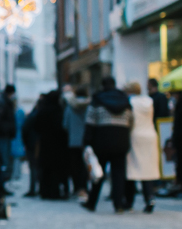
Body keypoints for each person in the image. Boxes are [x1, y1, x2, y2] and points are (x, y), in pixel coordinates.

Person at [82, 75, 133, 213]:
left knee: (98, 173)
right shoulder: (125, 100)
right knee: (119, 174)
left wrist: (87, 142)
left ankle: (92, 203)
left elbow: (90, 122)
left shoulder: (97, 99)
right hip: (121, 141)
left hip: (102, 141)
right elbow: (130, 120)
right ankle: (119, 205)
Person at [123, 82, 159, 213]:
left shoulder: (129, 102)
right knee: (147, 170)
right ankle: (150, 197)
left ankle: (129, 201)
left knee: (132, 169)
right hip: (150, 135)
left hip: (135, 135)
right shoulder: (149, 101)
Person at [35, 89, 69, 199]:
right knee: (55, 170)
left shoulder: (43, 110)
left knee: (46, 169)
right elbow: (61, 127)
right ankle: (54, 192)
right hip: (57, 144)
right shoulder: (58, 111)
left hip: (45, 143)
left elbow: (37, 125)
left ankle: (44, 192)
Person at [62, 84, 90, 198]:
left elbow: (65, 124)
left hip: (73, 140)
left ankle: (77, 187)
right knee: (86, 165)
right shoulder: (90, 106)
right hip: (86, 140)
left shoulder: (69, 107)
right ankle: (85, 187)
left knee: (75, 166)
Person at [0, 84, 18, 191]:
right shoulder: (3, 102)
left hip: (3, 135)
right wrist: (8, 129)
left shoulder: (3, 101)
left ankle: (0, 186)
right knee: (3, 161)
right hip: (2, 136)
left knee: (3, 161)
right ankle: (0, 187)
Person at [21, 97, 41, 197]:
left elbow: (25, 129)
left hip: (31, 144)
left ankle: (33, 189)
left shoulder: (32, 116)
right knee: (35, 167)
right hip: (35, 144)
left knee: (33, 167)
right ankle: (35, 188)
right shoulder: (36, 116)